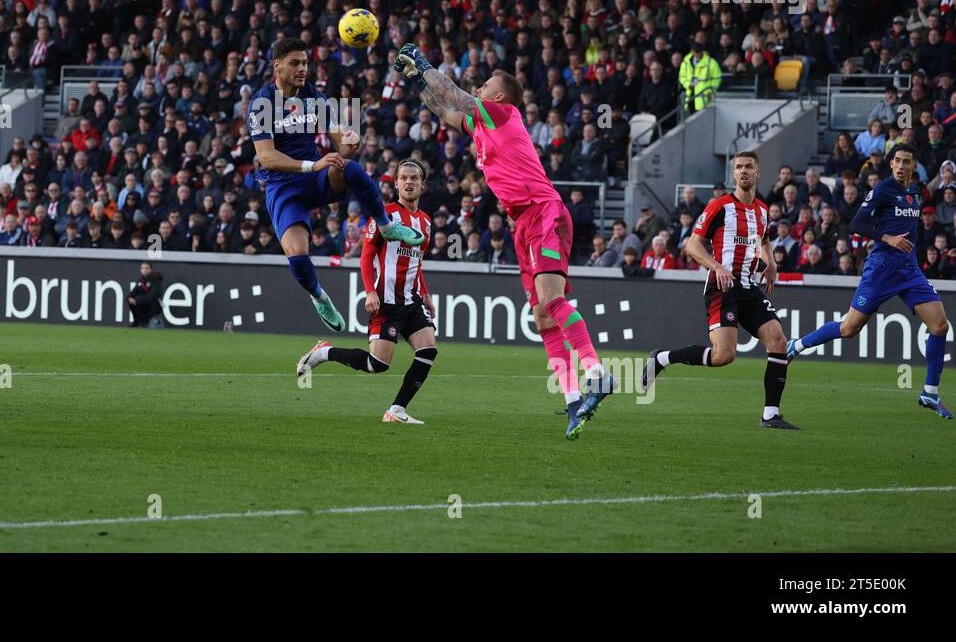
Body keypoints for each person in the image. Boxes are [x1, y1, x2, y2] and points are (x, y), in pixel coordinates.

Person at [393, 44, 612, 440]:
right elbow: (444, 111)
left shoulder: (503, 113)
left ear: (497, 97)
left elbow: (455, 95)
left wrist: (422, 63)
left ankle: (597, 370)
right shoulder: (480, 126)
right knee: (543, 318)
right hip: (522, 223)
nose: (479, 86)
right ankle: (574, 398)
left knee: (552, 297)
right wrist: (414, 81)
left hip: (544, 210)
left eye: (486, 83)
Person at [248, 37, 425, 333]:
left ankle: (385, 225)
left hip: (314, 178)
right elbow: (266, 158)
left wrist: (349, 143)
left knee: (351, 168)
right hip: (283, 188)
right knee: (298, 257)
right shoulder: (263, 102)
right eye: (295, 63)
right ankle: (319, 296)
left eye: (305, 62)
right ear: (277, 66)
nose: (302, 68)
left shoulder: (314, 97)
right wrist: (313, 165)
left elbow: (339, 143)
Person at [788, 143, 951, 419]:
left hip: (909, 270)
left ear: (914, 166)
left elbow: (911, 233)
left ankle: (930, 392)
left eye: (906, 161)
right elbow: (857, 224)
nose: (901, 166)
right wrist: (887, 239)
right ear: (890, 164)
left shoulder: (914, 192)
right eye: (897, 161)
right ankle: (798, 345)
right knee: (849, 328)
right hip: (881, 270)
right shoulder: (883, 190)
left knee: (940, 325)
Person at [643, 151, 798, 429]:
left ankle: (770, 414)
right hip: (721, 287)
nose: (743, 171)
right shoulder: (720, 206)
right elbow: (692, 245)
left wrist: (771, 264)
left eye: (749, 167)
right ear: (733, 174)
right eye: (738, 167)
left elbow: (763, 240)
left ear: (758, 172)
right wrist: (717, 267)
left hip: (749, 287)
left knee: (778, 341)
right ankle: (663, 358)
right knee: (723, 356)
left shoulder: (762, 211)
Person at [296, 160, 438, 424]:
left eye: (414, 178)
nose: (409, 182)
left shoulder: (426, 222)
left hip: (412, 298)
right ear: (395, 183)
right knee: (378, 364)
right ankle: (323, 352)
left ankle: (396, 410)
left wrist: (426, 294)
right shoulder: (384, 215)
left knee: (428, 349)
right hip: (386, 300)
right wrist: (370, 291)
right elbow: (367, 255)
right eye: (404, 178)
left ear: (423, 184)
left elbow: (416, 262)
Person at [128, 262, 162, 327]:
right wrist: (130, 297)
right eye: (143, 268)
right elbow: (133, 292)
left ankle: (144, 321)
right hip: (143, 306)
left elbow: (152, 296)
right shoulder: (141, 281)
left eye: (147, 268)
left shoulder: (155, 280)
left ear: (151, 269)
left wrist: (137, 300)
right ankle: (137, 321)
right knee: (130, 301)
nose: (145, 270)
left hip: (153, 306)